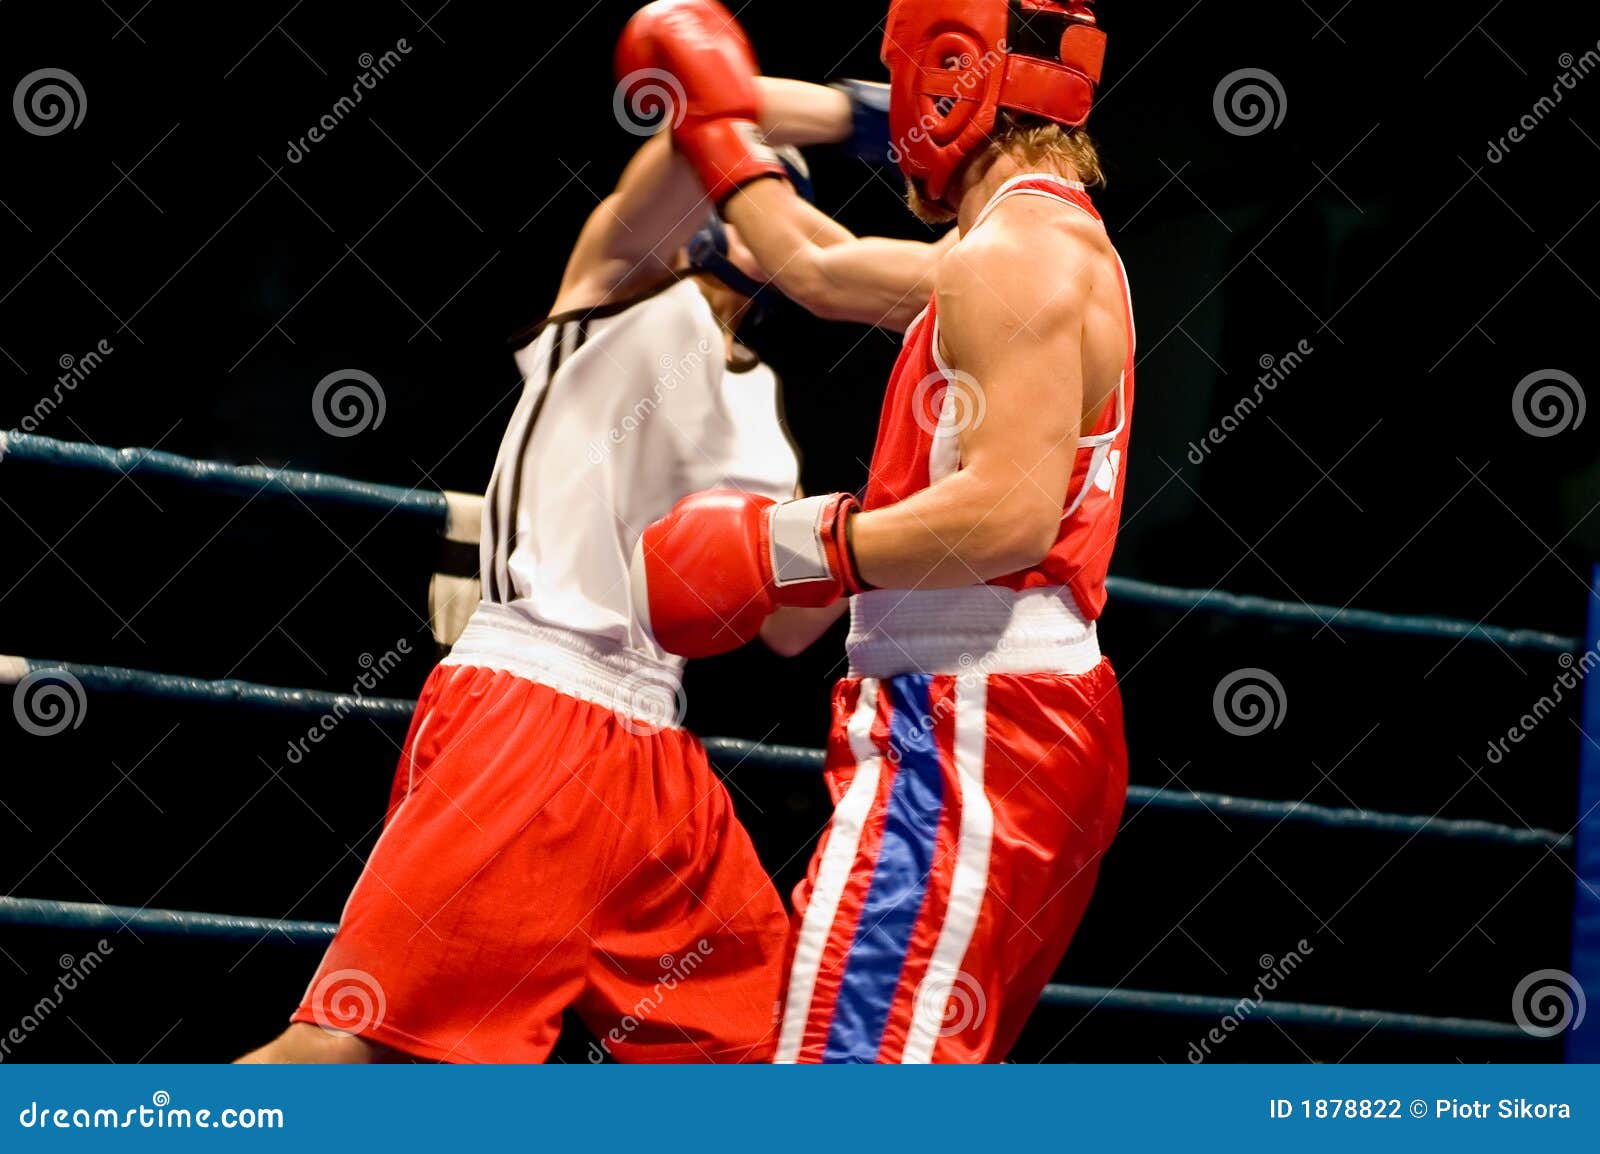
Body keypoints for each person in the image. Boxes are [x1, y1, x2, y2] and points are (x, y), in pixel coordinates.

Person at [239, 39, 950, 1062]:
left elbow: (791, 628)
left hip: (659, 754)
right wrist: (871, 118)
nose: (751, 199)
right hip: (535, 702)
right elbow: (685, 135)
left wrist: (890, 507)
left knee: (757, 1063)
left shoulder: (758, 410)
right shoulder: (613, 290)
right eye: (744, 177)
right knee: (371, 1055)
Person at [631, 0, 1133, 1062]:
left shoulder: (1017, 257)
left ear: (950, 81)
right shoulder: (1011, 244)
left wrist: (781, 546)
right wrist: (712, 122)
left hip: (971, 728)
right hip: (984, 718)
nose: (896, 108)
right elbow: (809, 264)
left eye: (905, 81)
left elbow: (1007, 512)